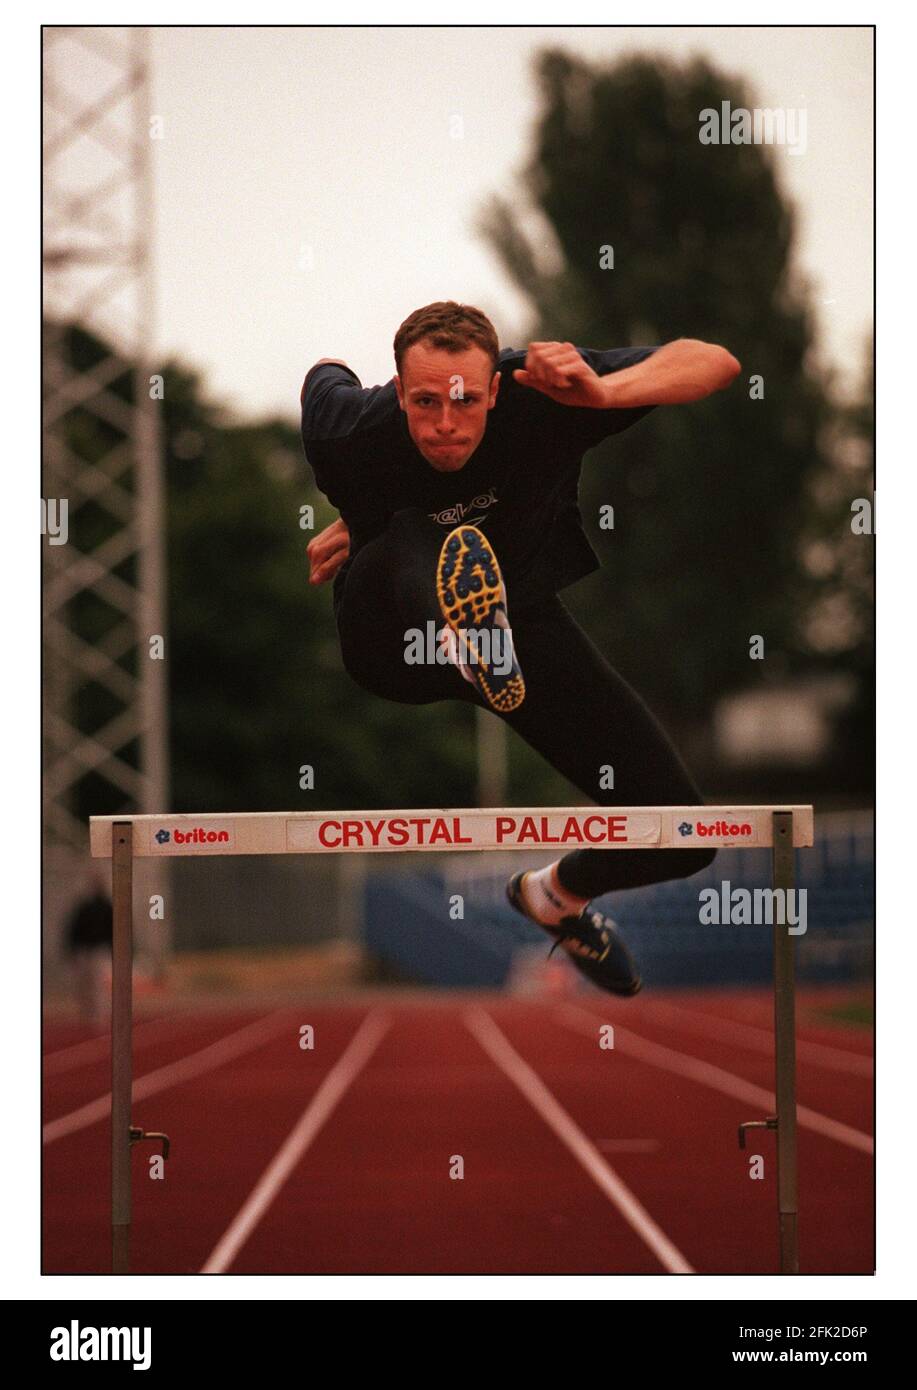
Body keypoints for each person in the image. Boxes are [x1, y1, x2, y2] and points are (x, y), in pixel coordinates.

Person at [300, 302, 741, 994]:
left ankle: (553, 897)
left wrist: (605, 392)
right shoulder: (351, 429)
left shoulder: (548, 395)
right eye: (422, 403)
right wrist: (359, 518)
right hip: (391, 635)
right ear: (397, 388)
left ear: (495, 390)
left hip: (517, 626)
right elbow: (323, 375)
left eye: (465, 402)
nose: (445, 424)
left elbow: (716, 362)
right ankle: (457, 628)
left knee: (679, 830)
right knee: (409, 535)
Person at [64, 871, 113, 1025]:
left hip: (99, 949)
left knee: (98, 983)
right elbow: (74, 929)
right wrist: (73, 949)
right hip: (85, 950)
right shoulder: (85, 906)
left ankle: (99, 1013)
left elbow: (114, 929)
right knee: (84, 984)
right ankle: (87, 1011)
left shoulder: (107, 906)